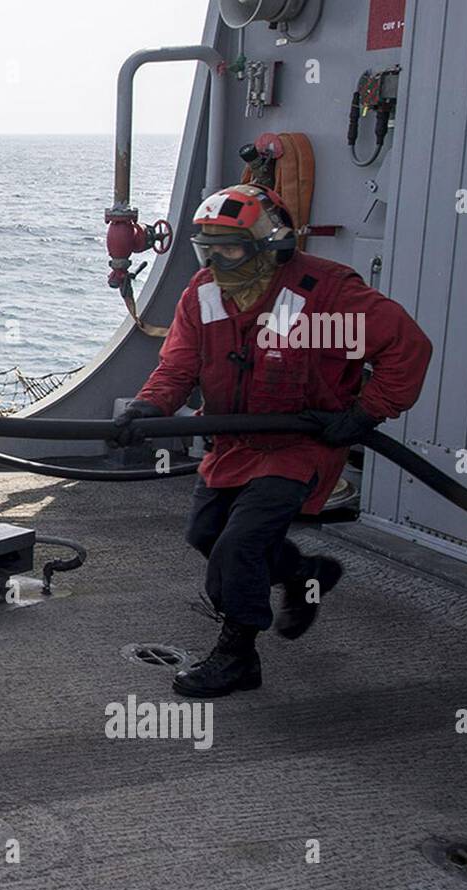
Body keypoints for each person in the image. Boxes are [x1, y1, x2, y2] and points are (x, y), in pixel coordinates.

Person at [112, 183, 432, 698]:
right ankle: (303, 573)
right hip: (233, 444)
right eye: (208, 249)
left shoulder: (325, 295)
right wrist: (149, 407)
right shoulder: (203, 294)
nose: (217, 262)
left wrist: (365, 413)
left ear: (272, 246)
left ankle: (238, 655)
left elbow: (407, 347)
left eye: (230, 249)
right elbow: (178, 366)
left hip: (297, 443)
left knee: (239, 547)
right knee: (205, 534)